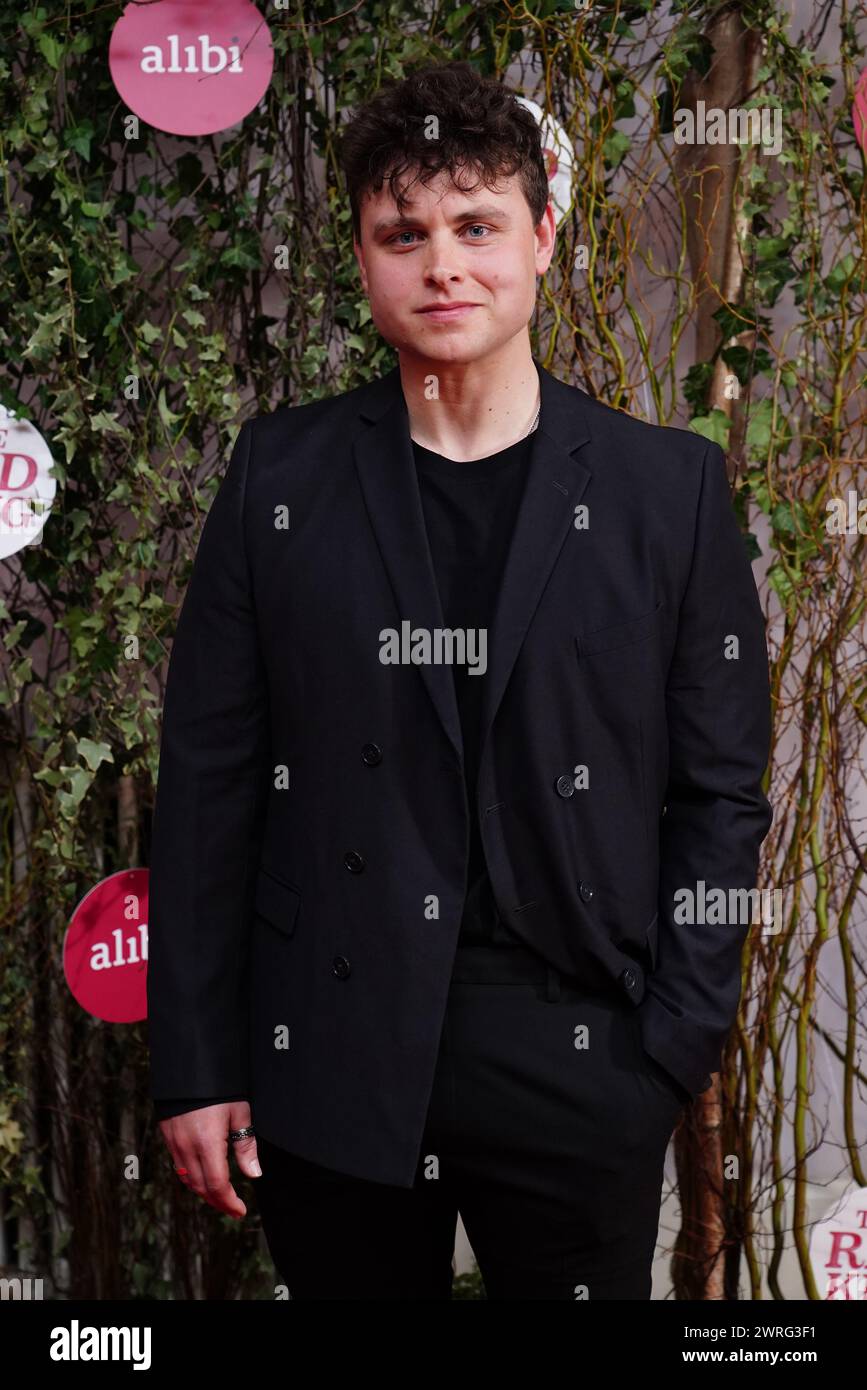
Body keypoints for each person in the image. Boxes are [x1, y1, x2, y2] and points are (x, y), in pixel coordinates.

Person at [147, 59, 774, 1299]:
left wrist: (673, 1048)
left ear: (544, 238)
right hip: (333, 1046)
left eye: (478, 226)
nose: (444, 264)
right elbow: (210, 786)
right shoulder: (281, 478)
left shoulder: (669, 492)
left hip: (582, 1049)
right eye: (404, 233)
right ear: (366, 259)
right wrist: (199, 1062)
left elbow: (721, 791)